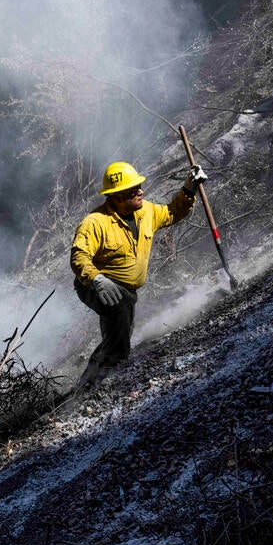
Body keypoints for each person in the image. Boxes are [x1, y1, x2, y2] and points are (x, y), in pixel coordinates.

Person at [70, 161, 207, 389]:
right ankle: (109, 379)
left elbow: (173, 212)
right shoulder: (95, 223)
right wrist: (96, 278)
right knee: (119, 316)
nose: (140, 192)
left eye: (139, 186)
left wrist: (188, 189)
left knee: (119, 333)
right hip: (94, 285)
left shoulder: (147, 212)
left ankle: (86, 384)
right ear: (117, 195)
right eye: (133, 190)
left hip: (126, 289)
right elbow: (79, 256)